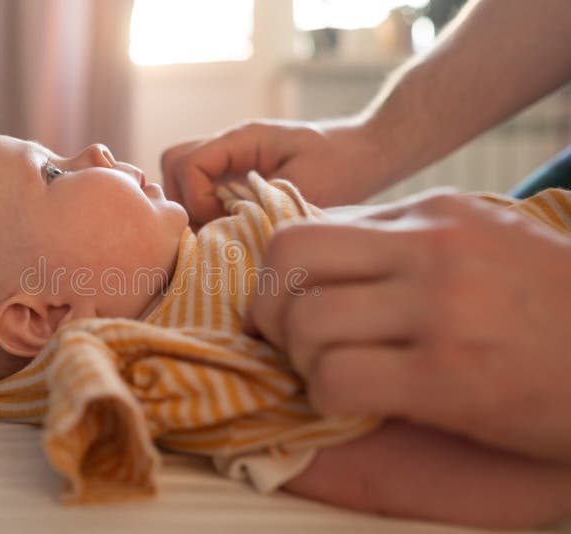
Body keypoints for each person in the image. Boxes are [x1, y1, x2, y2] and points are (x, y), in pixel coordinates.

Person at [0, 134, 571, 527]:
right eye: (51, 173)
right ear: (40, 317)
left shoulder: (204, 260)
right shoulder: (183, 363)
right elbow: (381, 474)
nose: (97, 150)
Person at [161, 0, 571, 470]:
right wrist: (370, 142)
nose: (96, 152)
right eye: (55, 173)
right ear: (54, 315)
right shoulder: (166, 367)